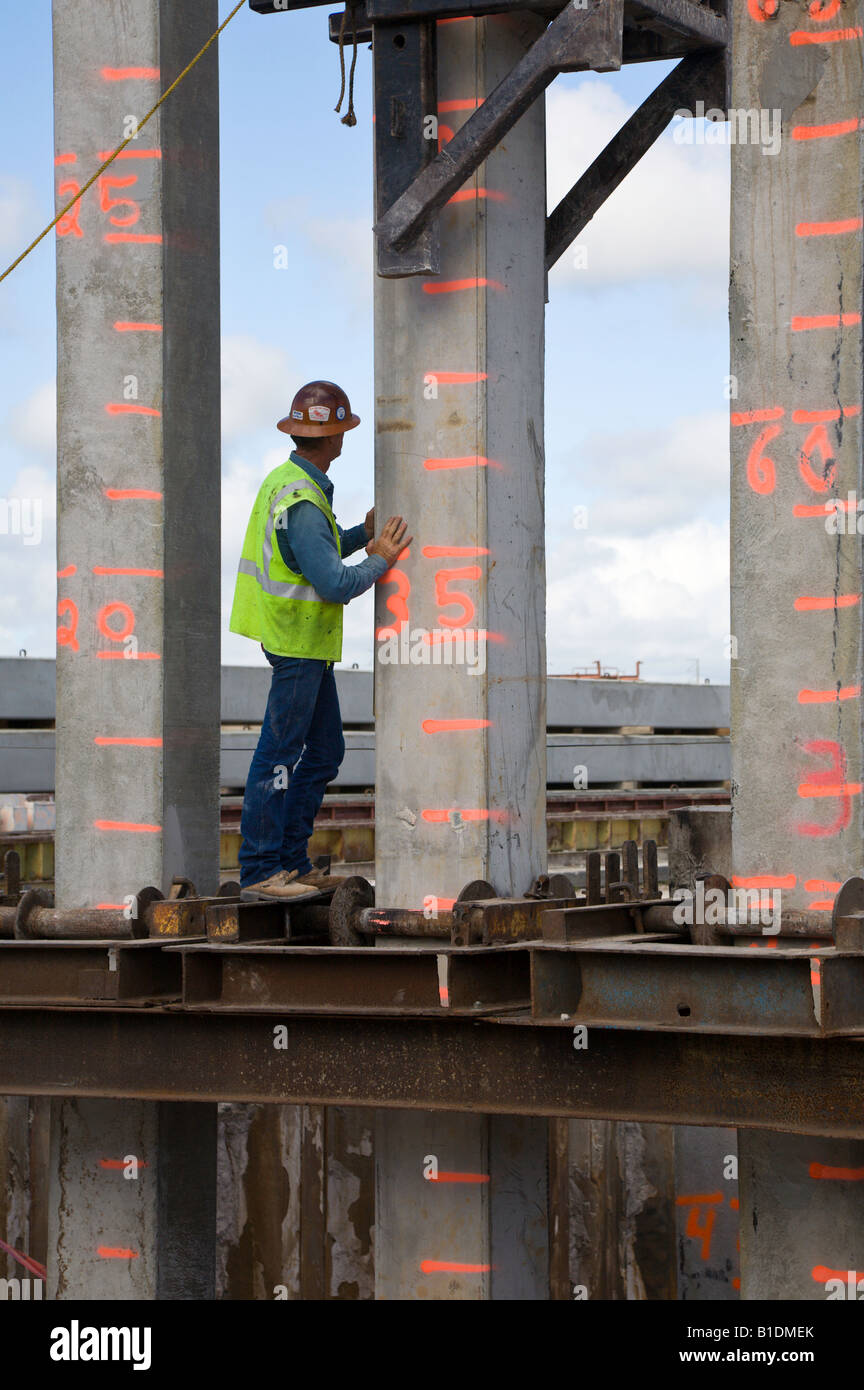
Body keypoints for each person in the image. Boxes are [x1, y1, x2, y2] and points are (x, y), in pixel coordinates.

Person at [229, 380, 411, 900]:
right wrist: (382, 559)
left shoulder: (291, 482)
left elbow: (315, 552)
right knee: (279, 753)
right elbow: (334, 583)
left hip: (300, 643)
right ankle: (262, 870)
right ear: (336, 437)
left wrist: (360, 534)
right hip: (298, 644)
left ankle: (290, 859)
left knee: (325, 750)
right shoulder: (304, 501)